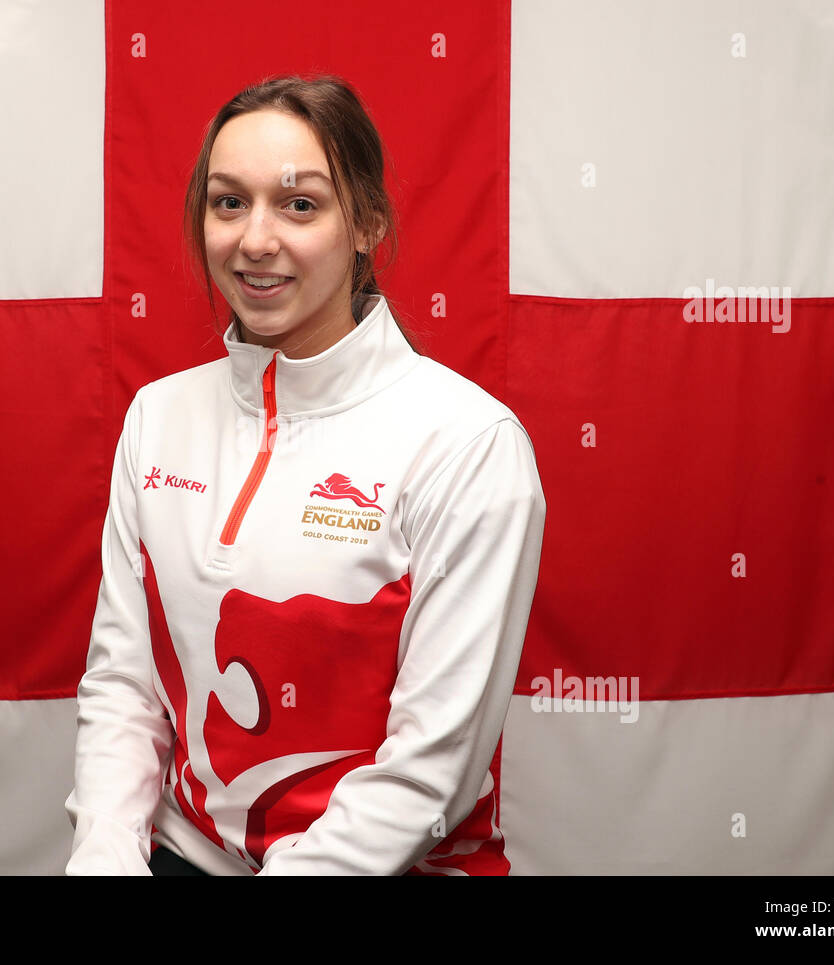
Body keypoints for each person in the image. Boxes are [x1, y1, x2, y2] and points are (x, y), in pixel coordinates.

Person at [64, 74, 545, 876]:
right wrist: (103, 863)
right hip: (188, 856)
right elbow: (124, 686)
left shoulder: (469, 443)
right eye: (228, 203)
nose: (255, 240)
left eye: (299, 205)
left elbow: (431, 773)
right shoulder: (156, 416)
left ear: (367, 225)